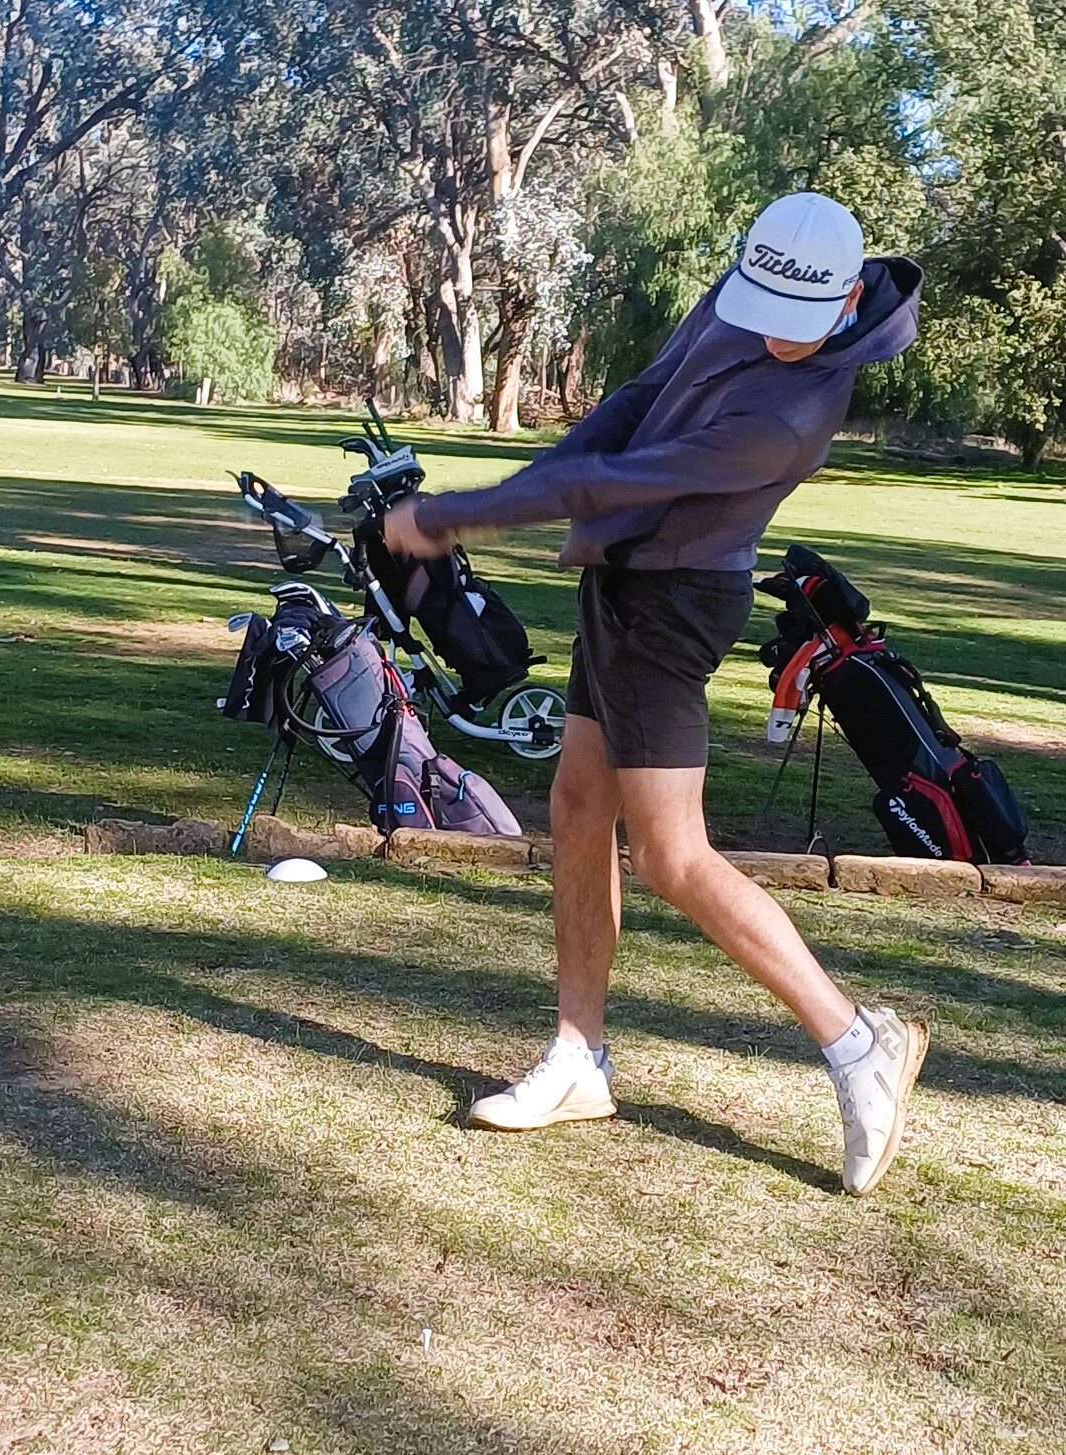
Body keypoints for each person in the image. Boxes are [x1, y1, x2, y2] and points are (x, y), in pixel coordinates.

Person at [384, 192, 928, 1197]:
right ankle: (576, 1060)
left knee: (671, 856)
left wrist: (456, 516)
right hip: (622, 584)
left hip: (677, 602)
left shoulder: (793, 413)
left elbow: (619, 482)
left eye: (795, 323)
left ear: (847, 298)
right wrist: (528, 473)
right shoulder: (754, 287)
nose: (771, 333)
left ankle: (859, 1045)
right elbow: (635, 401)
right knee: (577, 808)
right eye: (759, 305)